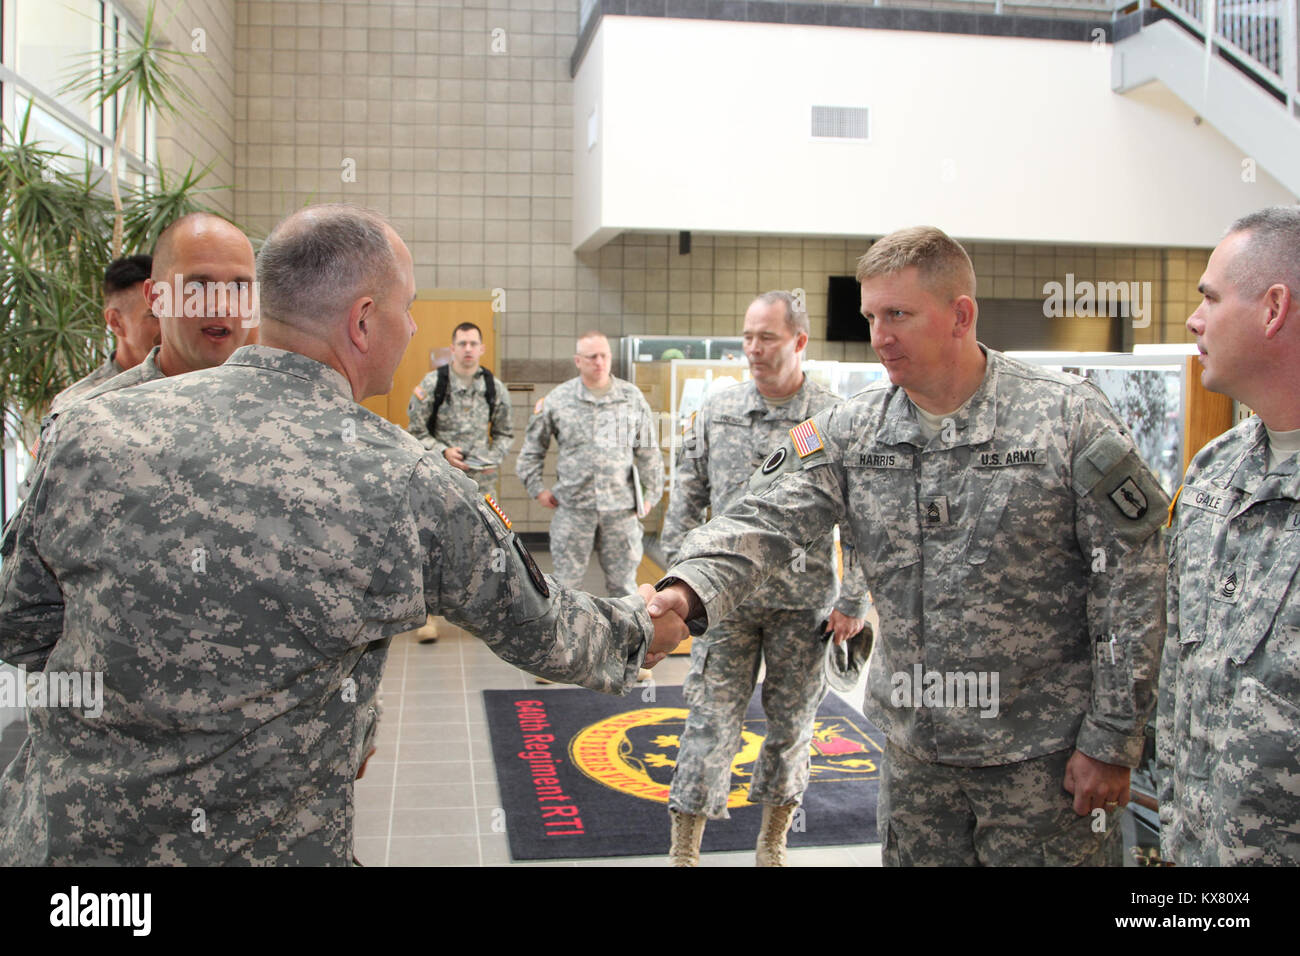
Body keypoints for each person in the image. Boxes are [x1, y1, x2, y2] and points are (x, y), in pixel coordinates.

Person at [0, 204, 686, 866]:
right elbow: (550, 631)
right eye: (407, 308)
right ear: (362, 321)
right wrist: (651, 625)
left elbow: (18, 623)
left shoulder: (90, 430)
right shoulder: (404, 480)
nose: (415, 328)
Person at [648, 225, 1169, 866]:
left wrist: (1114, 738)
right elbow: (763, 516)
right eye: (871, 316)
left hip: (1043, 765)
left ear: (960, 315)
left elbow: (1132, 583)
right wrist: (685, 587)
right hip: (915, 759)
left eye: (898, 314)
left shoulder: (1065, 419)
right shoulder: (850, 429)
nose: (879, 337)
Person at [660, 291, 870, 866]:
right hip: (724, 601)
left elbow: (858, 519)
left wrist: (853, 599)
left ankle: (772, 845)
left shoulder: (834, 418)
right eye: (748, 336)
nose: (753, 348)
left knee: (792, 725)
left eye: (767, 337)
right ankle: (685, 852)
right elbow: (686, 502)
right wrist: (678, 583)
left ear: (799, 340)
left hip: (804, 607)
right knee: (709, 720)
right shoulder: (717, 411)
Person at [1157, 206, 1300, 866]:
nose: (1194, 320)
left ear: (1274, 308)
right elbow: (1181, 669)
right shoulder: (1214, 473)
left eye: (1209, 298)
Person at [516, 331, 665, 597]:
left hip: (621, 508)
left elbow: (649, 451)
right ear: (578, 360)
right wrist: (537, 488)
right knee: (566, 587)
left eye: (604, 355)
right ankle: (571, 638)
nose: (600, 362)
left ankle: (626, 637)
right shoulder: (558, 399)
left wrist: (650, 495)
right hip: (574, 507)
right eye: (592, 356)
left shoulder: (631, 397)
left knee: (624, 587)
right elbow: (531, 450)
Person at [406, 321, 513, 496]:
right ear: (453, 348)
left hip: (481, 487)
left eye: (473, 344)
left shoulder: (494, 387)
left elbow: (505, 434)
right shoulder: (433, 383)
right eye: (462, 344)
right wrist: (442, 451)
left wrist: (492, 458)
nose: (468, 348)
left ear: (482, 349)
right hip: (441, 483)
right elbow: (415, 432)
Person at [48, 254, 158, 415]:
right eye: (154, 315)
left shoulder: (192, 385)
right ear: (116, 322)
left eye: (170, 312)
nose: (169, 325)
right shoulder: (76, 405)